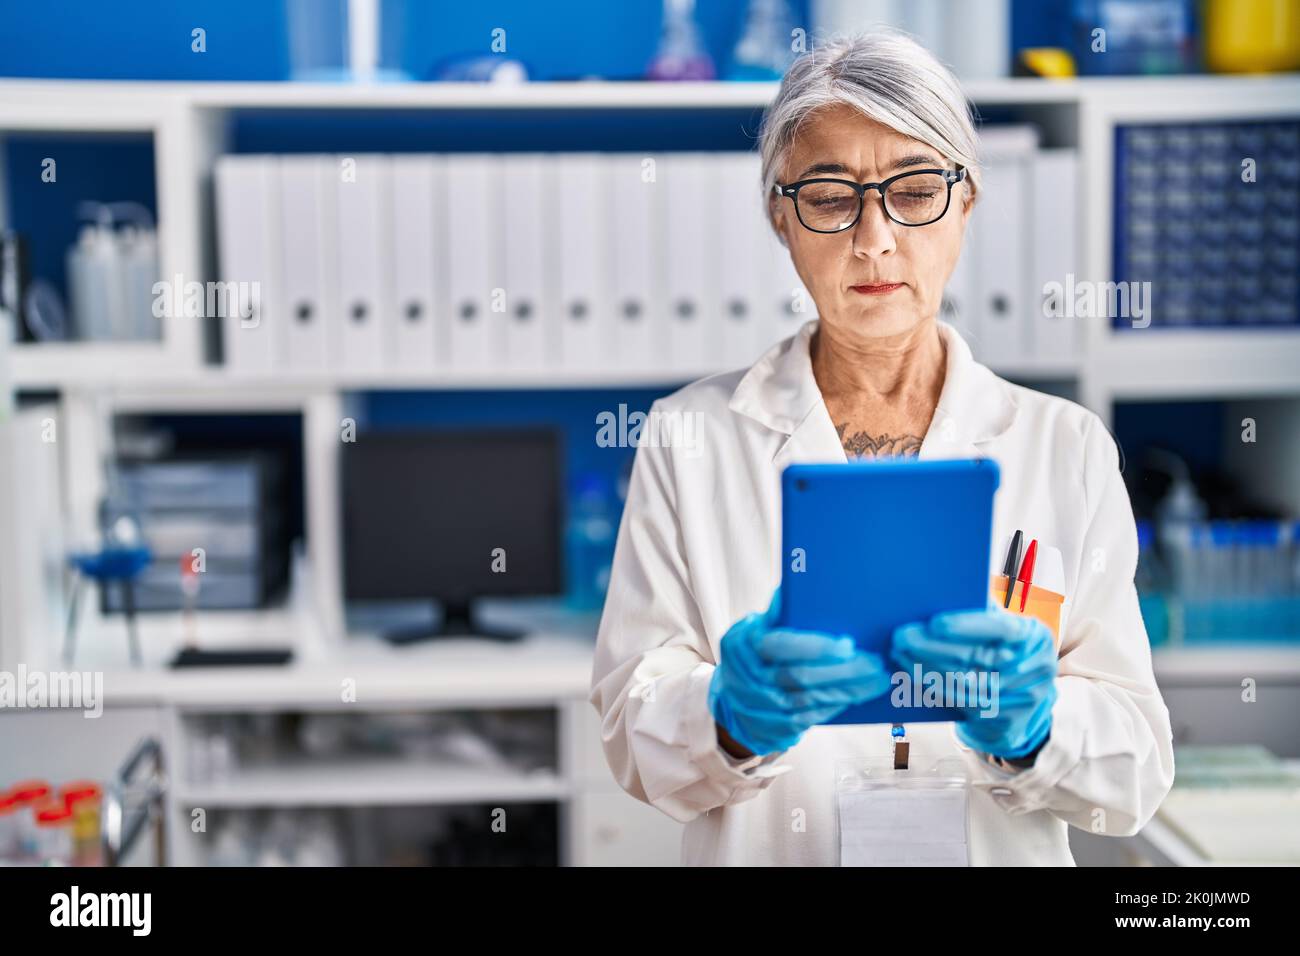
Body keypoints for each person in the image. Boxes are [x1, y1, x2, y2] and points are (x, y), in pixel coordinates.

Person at [589, 30, 1174, 865]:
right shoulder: (690, 439)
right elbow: (631, 735)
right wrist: (724, 713)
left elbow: (1138, 771)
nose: (874, 238)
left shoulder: (1065, 448)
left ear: (964, 205)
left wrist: (1039, 725)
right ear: (780, 217)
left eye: (913, 189)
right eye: (830, 196)